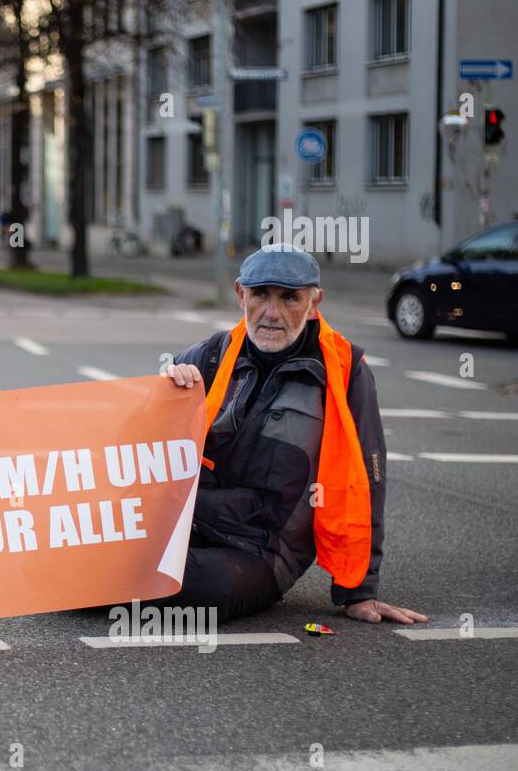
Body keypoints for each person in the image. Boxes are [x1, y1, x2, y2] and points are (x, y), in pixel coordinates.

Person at [158, 244, 427, 627]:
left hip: (264, 551)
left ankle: (124, 581)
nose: (272, 313)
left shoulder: (345, 372)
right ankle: (115, 578)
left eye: (289, 298)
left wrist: (360, 590)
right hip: (192, 527)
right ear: (240, 295)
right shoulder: (213, 355)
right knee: (117, 562)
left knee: (206, 586)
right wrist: (167, 391)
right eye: (260, 296)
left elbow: (366, 479)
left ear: (315, 302)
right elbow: (142, 443)